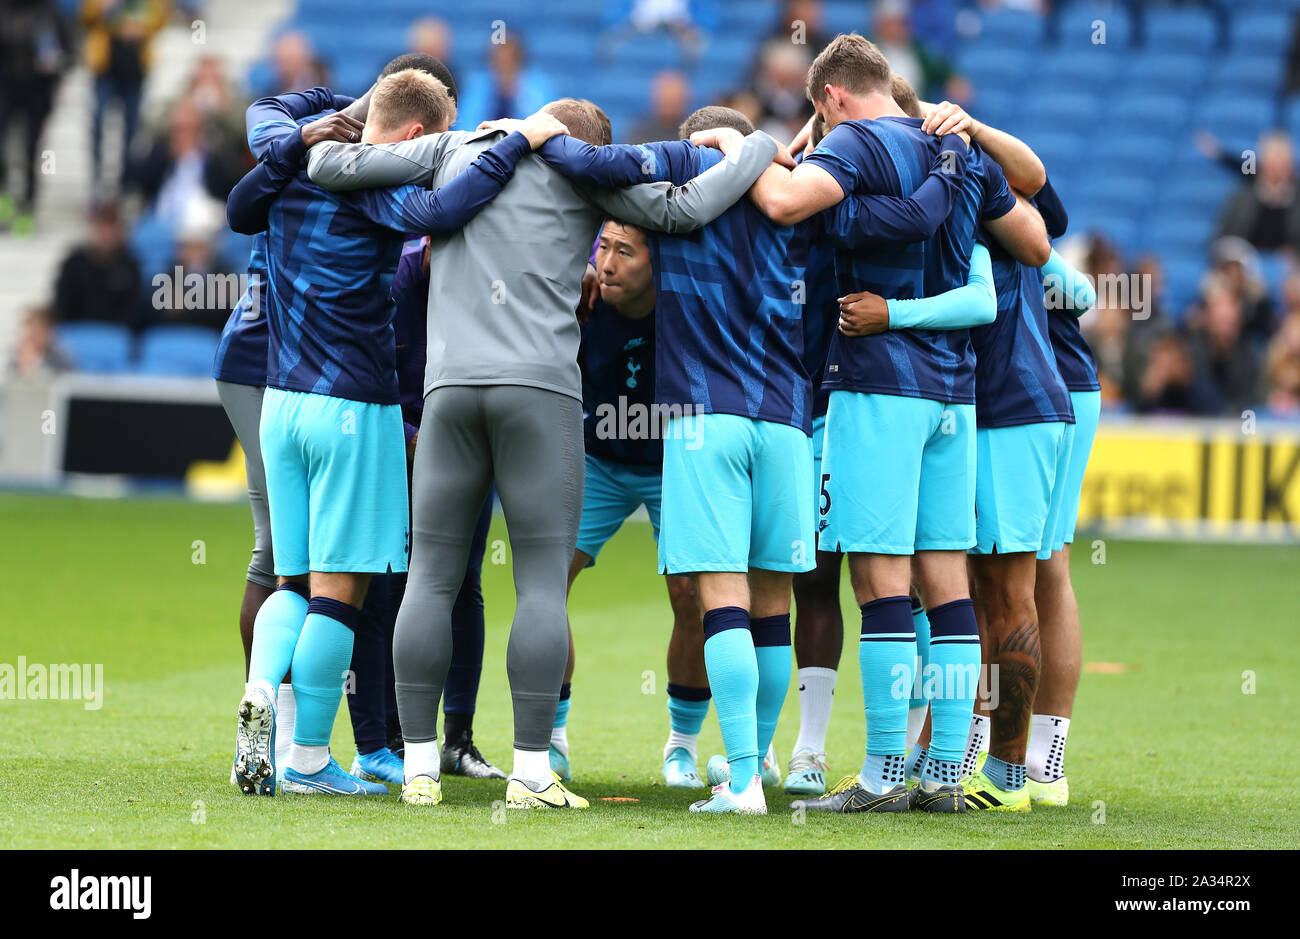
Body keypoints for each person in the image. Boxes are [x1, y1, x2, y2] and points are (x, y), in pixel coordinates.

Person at [307, 96, 783, 809]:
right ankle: (532, 767)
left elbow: (330, 164)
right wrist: (758, 147)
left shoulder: (454, 149)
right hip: (540, 394)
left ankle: (417, 766)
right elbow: (689, 210)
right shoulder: (584, 175)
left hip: (448, 393)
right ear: (588, 144)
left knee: (431, 576)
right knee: (538, 581)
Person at [227, 69, 564, 798]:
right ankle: (310, 757)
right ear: (418, 136)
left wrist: (332, 112)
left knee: (290, 575)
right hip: (353, 404)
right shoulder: (374, 193)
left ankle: (260, 691)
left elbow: (256, 151)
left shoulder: (293, 168)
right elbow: (448, 209)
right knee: (338, 594)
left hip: (279, 402)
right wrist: (517, 143)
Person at [746, 33, 1050, 814]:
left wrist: (767, 150)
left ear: (830, 98)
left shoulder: (851, 142)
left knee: (880, 578)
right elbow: (1036, 237)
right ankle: (945, 772)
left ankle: (882, 774)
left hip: (879, 384)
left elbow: (783, 204)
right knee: (946, 582)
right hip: (957, 394)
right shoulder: (957, 147)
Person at [555, 219, 711, 789]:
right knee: (546, 582)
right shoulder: (582, 299)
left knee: (693, 595)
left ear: (659, 262)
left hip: (673, 462)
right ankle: (551, 742)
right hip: (597, 462)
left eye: (626, 251)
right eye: (604, 247)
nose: (609, 262)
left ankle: (682, 749)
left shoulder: (687, 307)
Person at [0, 0, 71, 234]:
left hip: (37, 91)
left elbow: (68, 51)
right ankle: (3, 199)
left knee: (31, 150)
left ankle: (27, 206)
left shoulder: (48, 11)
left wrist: (55, 65)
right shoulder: (5, 8)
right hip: (7, 87)